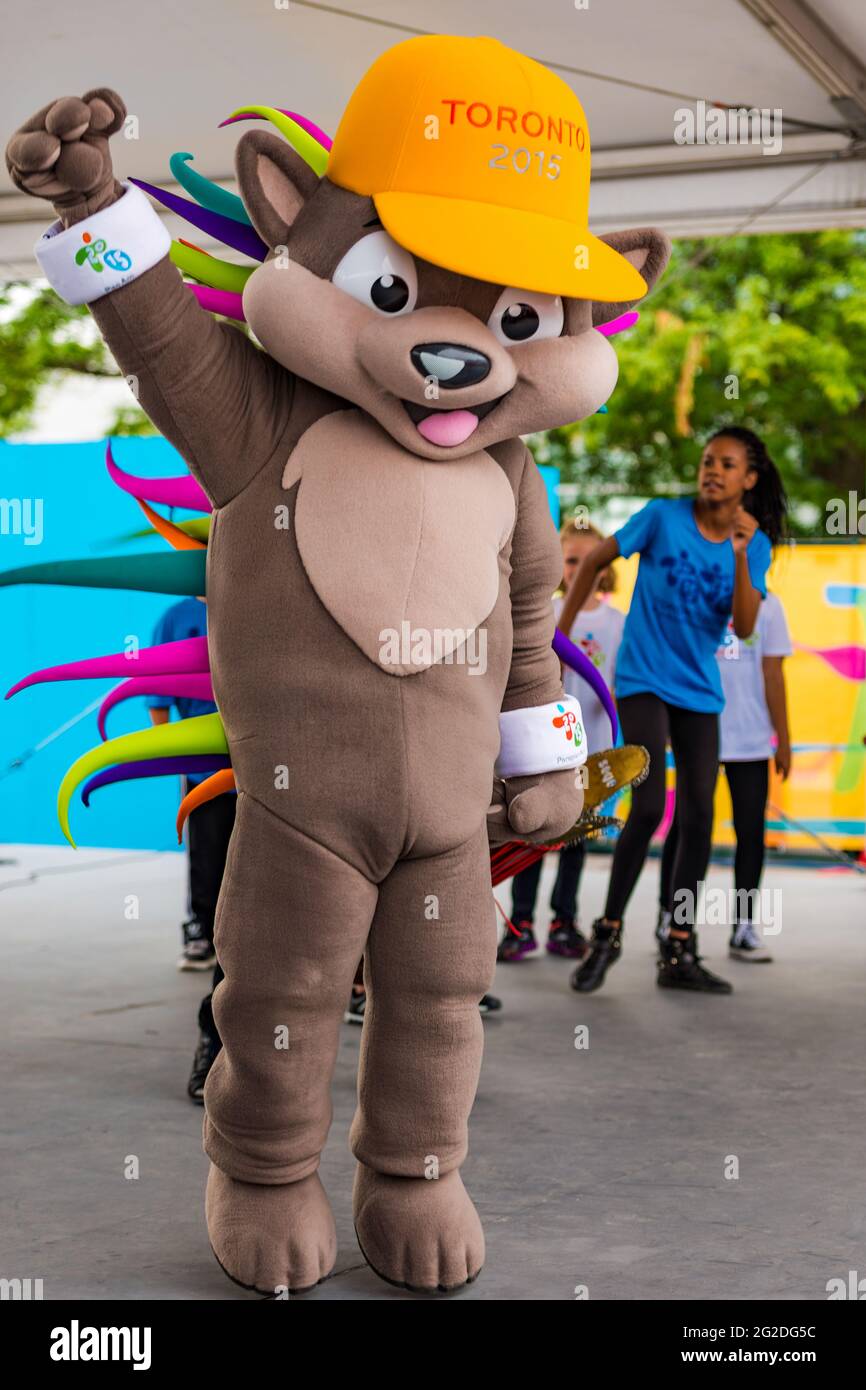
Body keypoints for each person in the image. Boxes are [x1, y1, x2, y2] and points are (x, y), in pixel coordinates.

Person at [557, 426, 787, 996]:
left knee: (700, 819)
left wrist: (737, 554)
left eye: (727, 465)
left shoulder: (753, 544)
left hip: (698, 690)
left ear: (748, 480)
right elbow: (593, 561)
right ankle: (607, 932)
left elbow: (747, 624)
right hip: (641, 678)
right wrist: (558, 641)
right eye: (708, 461)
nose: (712, 471)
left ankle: (678, 947)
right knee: (650, 803)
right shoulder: (662, 517)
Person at [498, 519, 625, 962]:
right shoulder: (543, 615)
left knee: (575, 837)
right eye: (571, 559)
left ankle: (563, 921)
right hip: (544, 746)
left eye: (588, 561)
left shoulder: (617, 622)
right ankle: (521, 922)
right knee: (530, 835)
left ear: (604, 567)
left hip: (592, 747)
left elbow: (617, 686)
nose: (578, 569)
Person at [658, 590, 792, 962]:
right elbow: (676, 663)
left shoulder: (770, 604)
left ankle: (744, 925)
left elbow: (773, 674)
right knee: (687, 827)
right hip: (699, 731)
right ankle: (672, 917)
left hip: (750, 740)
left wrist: (783, 739)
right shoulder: (697, 594)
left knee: (751, 833)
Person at [146, 596, 235, 1101]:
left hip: (291, 778)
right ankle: (203, 929)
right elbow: (156, 689)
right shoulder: (177, 617)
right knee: (216, 868)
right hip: (209, 768)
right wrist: (172, 752)